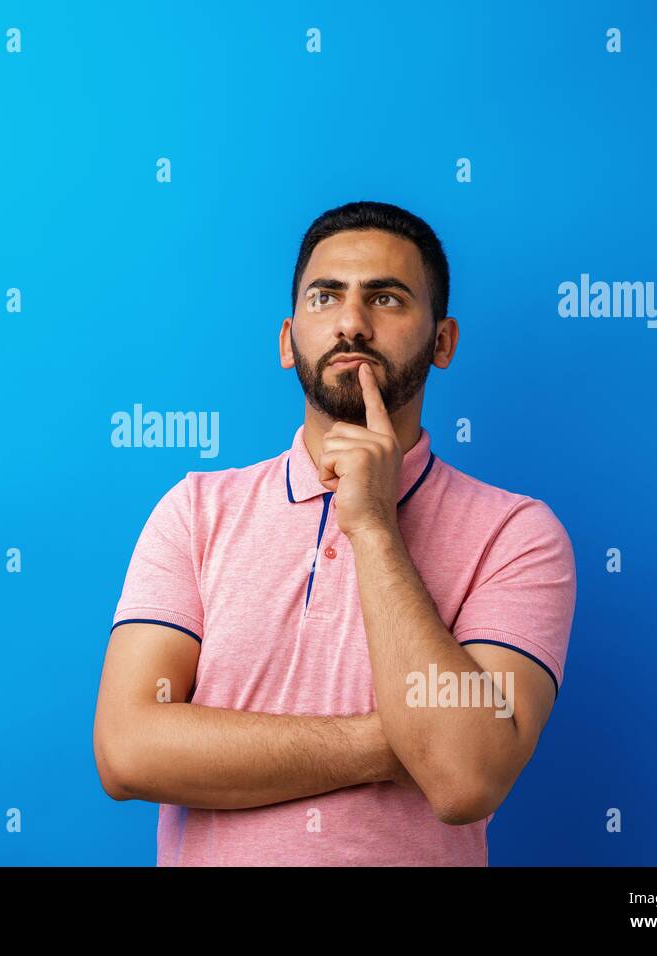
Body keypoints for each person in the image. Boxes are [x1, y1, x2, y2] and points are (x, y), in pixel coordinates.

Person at [93, 200, 577, 866]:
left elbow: (464, 777)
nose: (352, 324)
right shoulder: (196, 510)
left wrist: (375, 526)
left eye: (387, 299)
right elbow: (127, 751)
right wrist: (397, 742)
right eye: (327, 298)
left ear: (443, 342)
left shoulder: (517, 535)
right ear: (288, 340)